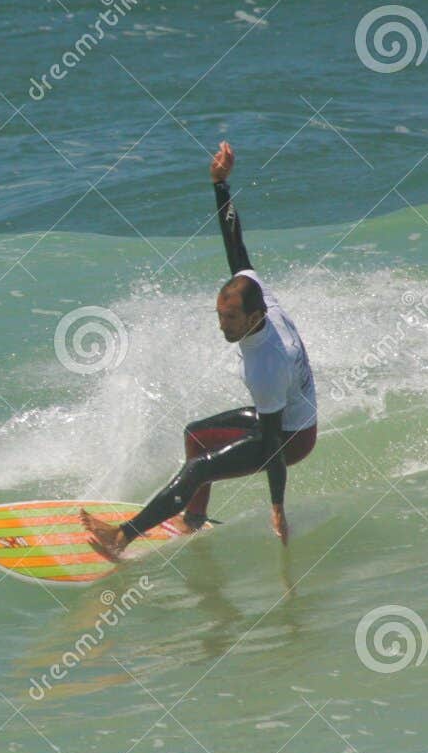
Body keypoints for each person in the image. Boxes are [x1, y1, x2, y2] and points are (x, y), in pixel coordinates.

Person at [82, 141, 317, 559]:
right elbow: (235, 245)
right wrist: (220, 184)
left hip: (291, 437)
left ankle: (121, 537)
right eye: (219, 315)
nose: (221, 325)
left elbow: (274, 449)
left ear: (252, 317)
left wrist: (278, 507)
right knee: (197, 435)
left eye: (229, 320)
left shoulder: (266, 365)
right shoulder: (262, 299)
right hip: (287, 414)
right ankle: (192, 520)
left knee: (199, 466)